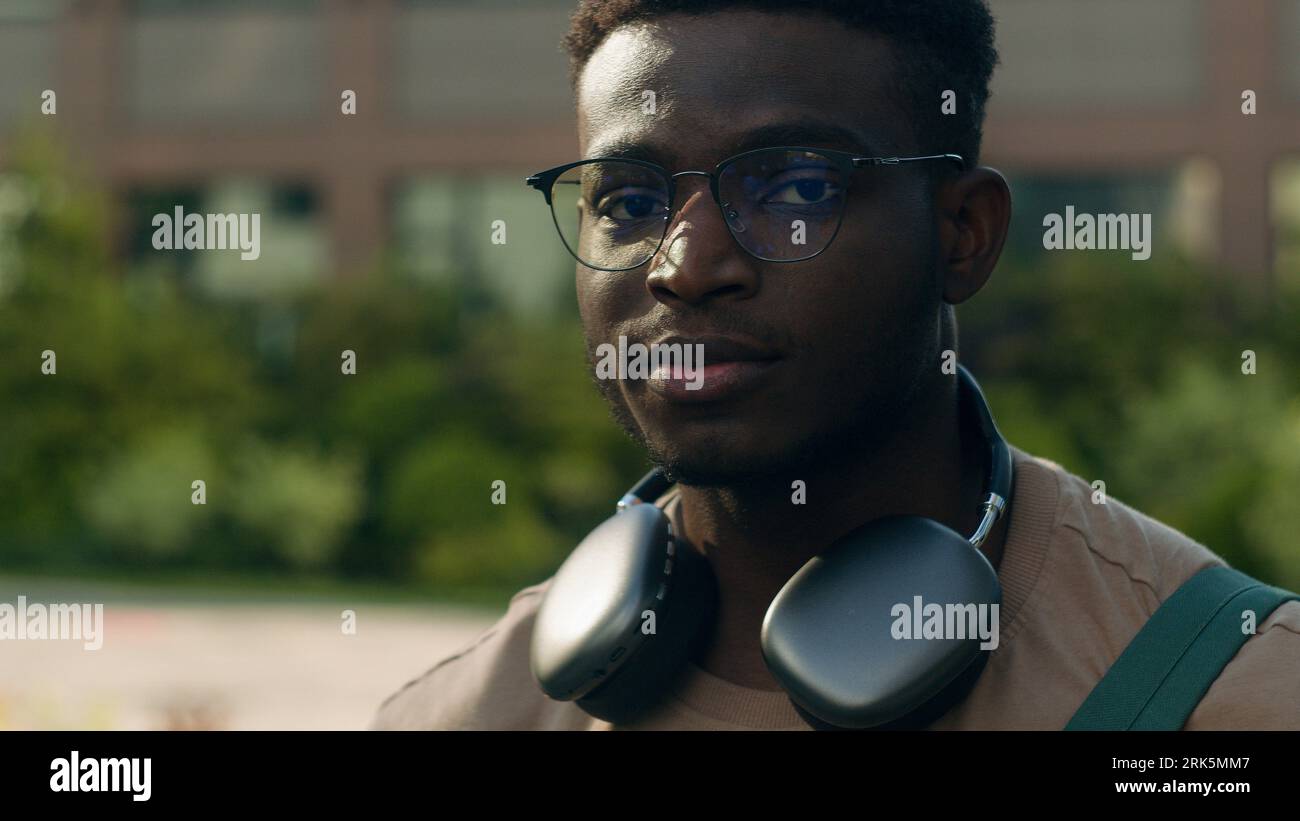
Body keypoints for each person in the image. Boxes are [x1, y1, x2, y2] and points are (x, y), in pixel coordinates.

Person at [372, 0, 1300, 730]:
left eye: (795, 187)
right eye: (628, 200)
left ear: (962, 236)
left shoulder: (1218, 695)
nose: (684, 266)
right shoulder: (457, 715)